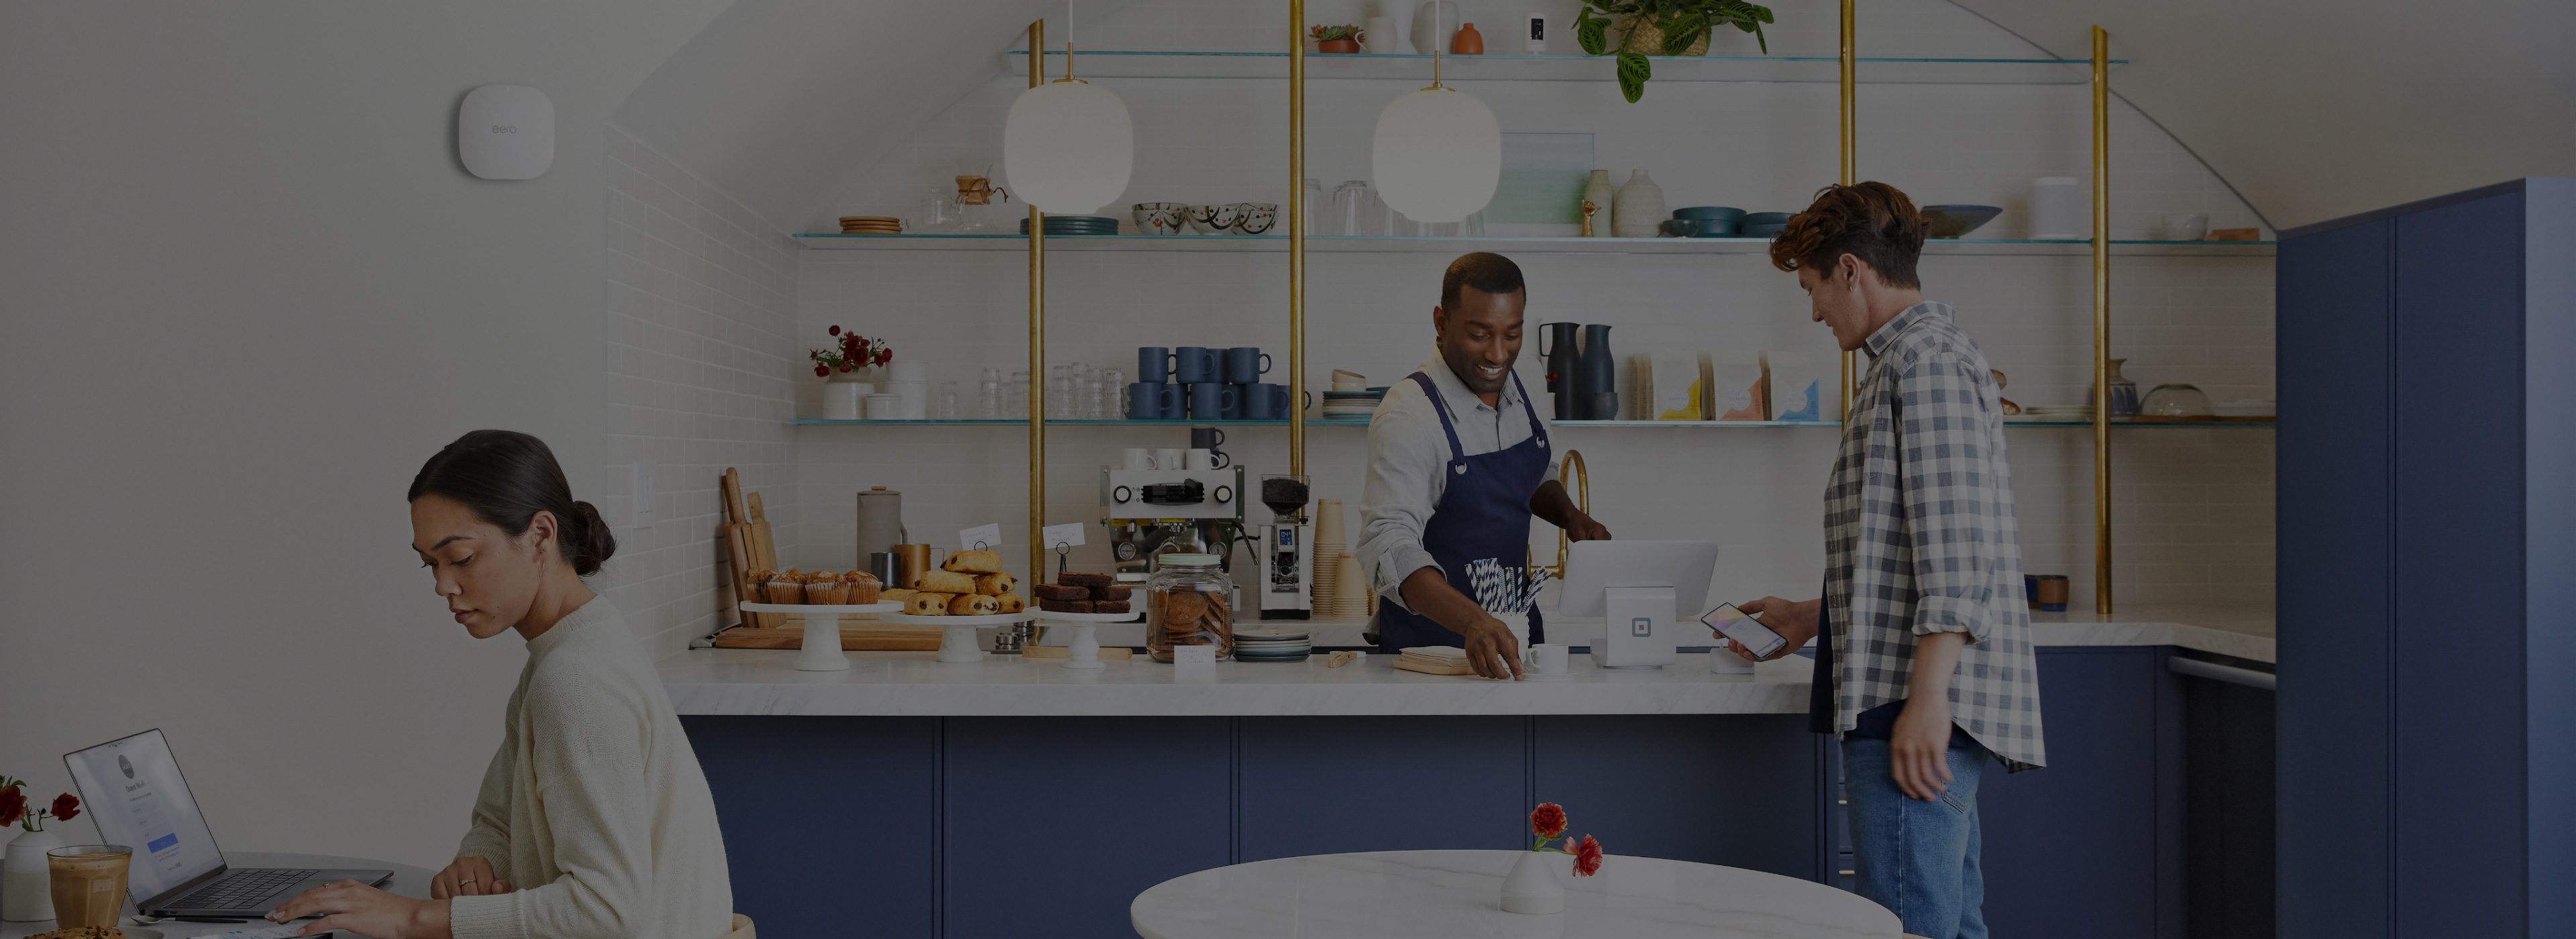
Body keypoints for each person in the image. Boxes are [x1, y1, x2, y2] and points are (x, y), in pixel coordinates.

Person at [1728, 183, 2045, 939]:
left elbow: (1956, 545)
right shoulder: (1912, 360)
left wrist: (1927, 698)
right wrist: (1813, 616)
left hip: (1909, 698)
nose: (1812, 312)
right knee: (1949, 924)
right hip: (1908, 689)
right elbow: (1907, 546)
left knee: (1908, 926)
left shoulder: (1925, 363)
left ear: (1848, 270)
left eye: (1810, 290)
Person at [267, 430, 734, 938]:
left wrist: (412, 918)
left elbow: (609, 911)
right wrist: (478, 864)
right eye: (431, 564)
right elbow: (499, 818)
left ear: (539, 535)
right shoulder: (567, 650)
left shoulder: (575, 682)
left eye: (461, 558)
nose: (443, 585)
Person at [1357, 252, 1611, 679]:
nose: (1498, 353)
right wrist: (1473, 620)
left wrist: (1571, 517)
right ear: (1441, 323)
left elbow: (1533, 474)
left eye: (1512, 334)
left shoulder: (1527, 379)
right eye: (1479, 334)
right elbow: (1387, 546)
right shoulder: (1408, 417)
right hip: (1430, 654)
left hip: (1516, 637)